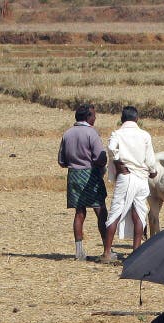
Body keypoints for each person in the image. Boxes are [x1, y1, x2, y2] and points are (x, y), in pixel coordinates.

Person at [104, 106, 157, 262]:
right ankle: (136, 252)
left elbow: (111, 148)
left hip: (126, 177)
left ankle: (107, 253)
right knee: (139, 213)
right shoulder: (145, 135)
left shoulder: (117, 134)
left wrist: (118, 161)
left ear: (122, 119)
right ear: (137, 119)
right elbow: (150, 160)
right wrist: (153, 171)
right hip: (141, 178)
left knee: (115, 212)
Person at [57, 103, 108, 261]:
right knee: (101, 211)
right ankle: (107, 247)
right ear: (88, 117)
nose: (95, 118)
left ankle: (79, 251)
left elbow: (61, 160)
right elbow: (101, 158)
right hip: (90, 175)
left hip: (73, 175)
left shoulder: (67, 134)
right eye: (93, 115)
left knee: (79, 213)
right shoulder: (91, 133)